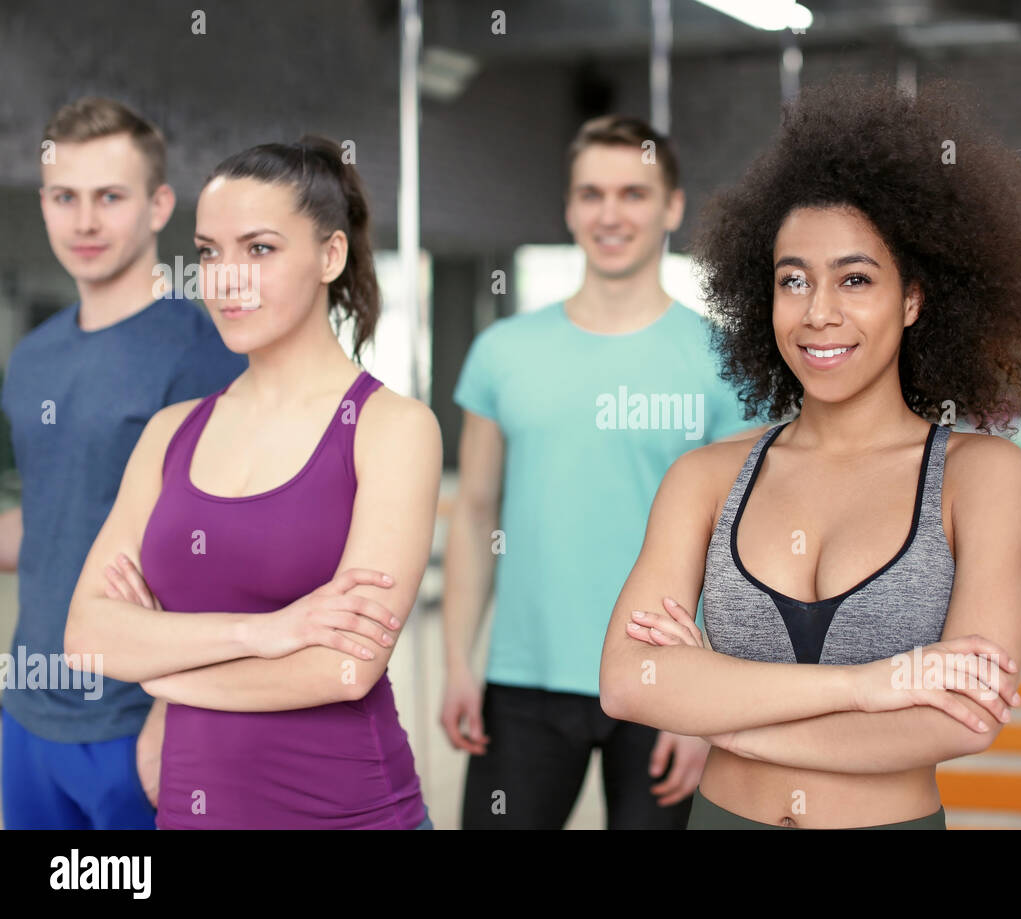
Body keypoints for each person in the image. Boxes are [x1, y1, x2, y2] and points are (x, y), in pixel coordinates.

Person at [600, 74, 1021, 829]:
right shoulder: (707, 477)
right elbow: (628, 681)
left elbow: (966, 714)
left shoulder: (979, 477)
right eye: (794, 280)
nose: (819, 313)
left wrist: (718, 710)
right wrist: (874, 684)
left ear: (913, 299)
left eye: (855, 278)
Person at [62, 136, 440, 829]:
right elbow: (89, 635)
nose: (226, 278)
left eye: (259, 249)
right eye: (209, 251)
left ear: (330, 255)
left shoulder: (392, 427)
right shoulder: (171, 432)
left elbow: (344, 668)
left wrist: (164, 667)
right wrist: (265, 630)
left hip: (350, 813)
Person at [442, 114, 762, 829]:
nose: (610, 214)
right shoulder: (504, 351)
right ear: (569, 208)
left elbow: (741, 540)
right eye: (591, 194)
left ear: (672, 206)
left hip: (665, 680)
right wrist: (459, 661)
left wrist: (709, 693)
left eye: (633, 193)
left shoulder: (725, 362)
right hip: (522, 682)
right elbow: (476, 512)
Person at [0, 97, 247, 830]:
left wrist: (173, 713)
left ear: (159, 204)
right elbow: (54, 516)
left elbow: (223, 552)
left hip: (136, 719)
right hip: (28, 710)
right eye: (64, 197)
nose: (84, 221)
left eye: (110, 196)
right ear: (43, 203)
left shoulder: (201, 351)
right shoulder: (32, 356)